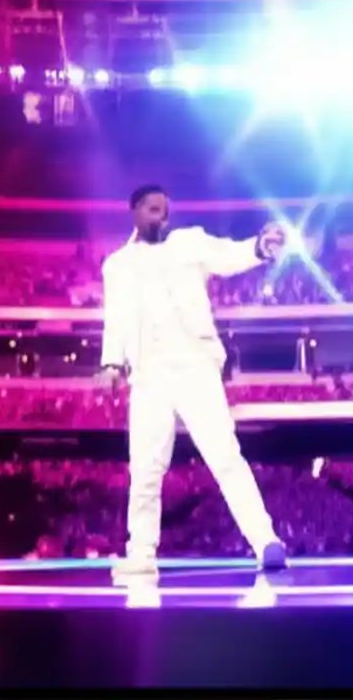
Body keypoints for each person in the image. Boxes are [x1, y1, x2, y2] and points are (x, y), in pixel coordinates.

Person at [99, 184, 288, 578]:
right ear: (135, 211)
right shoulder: (116, 266)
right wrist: (112, 363)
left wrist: (260, 247)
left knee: (225, 455)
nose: (161, 216)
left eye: (165, 209)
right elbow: (114, 319)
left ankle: (265, 540)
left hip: (195, 366)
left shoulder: (190, 243)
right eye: (153, 209)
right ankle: (141, 554)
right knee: (146, 468)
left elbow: (228, 254)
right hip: (149, 373)